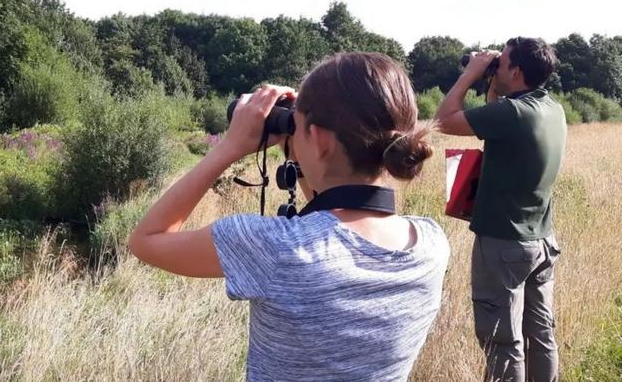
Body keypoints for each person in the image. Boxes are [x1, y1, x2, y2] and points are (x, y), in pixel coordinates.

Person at [129, 52, 450, 381]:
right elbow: (335, 205)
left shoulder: (277, 249)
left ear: (320, 139)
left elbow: (147, 241)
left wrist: (229, 147)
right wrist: (303, 139)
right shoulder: (431, 244)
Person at [434, 37, 566, 382]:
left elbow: (443, 120)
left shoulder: (514, 113)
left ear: (517, 70)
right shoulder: (549, 108)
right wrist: (493, 84)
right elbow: (495, 120)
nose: (496, 64)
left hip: (504, 245)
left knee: (502, 342)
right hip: (541, 242)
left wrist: (470, 74)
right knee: (540, 335)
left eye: (502, 61)